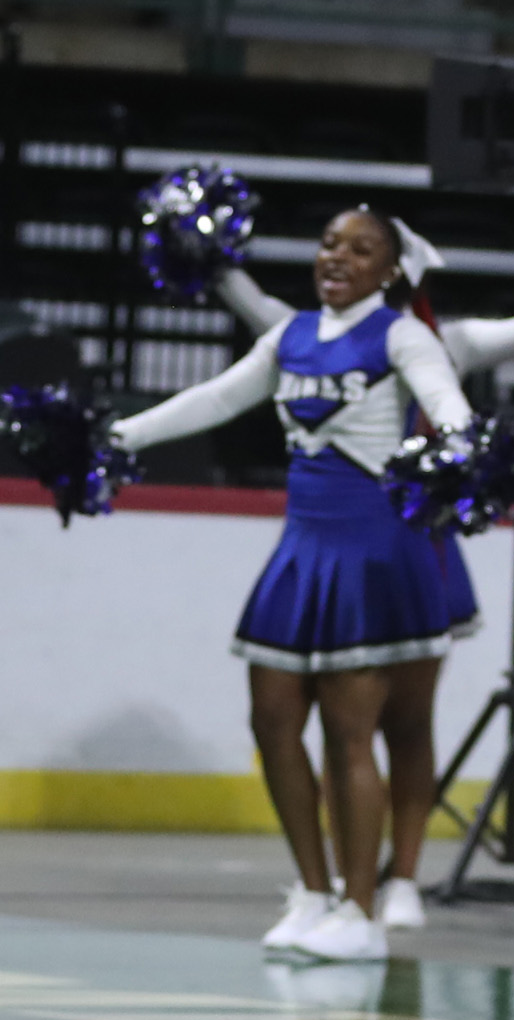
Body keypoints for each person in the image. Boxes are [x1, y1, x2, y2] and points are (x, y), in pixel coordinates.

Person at [117, 205, 490, 963]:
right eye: (328, 244)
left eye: (361, 250)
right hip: (302, 548)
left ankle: (362, 909)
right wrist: (117, 435)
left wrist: (457, 440)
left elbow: (447, 401)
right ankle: (314, 892)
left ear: (391, 271)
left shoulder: (400, 334)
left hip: (373, 552)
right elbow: (216, 398)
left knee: (351, 732)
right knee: (272, 717)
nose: (338, 257)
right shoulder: (288, 336)